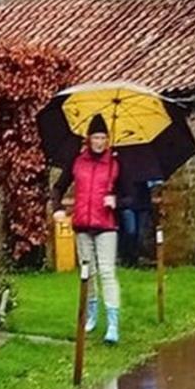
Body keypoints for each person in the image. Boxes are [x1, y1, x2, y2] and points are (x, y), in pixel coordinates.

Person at [52, 115, 122, 344]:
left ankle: (113, 323)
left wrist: (116, 200)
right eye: (96, 137)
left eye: (103, 137)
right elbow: (58, 187)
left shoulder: (115, 164)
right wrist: (58, 207)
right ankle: (91, 313)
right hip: (82, 224)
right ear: (89, 138)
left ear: (107, 139)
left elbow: (131, 194)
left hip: (106, 226)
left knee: (107, 272)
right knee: (87, 273)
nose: (99, 142)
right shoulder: (77, 162)